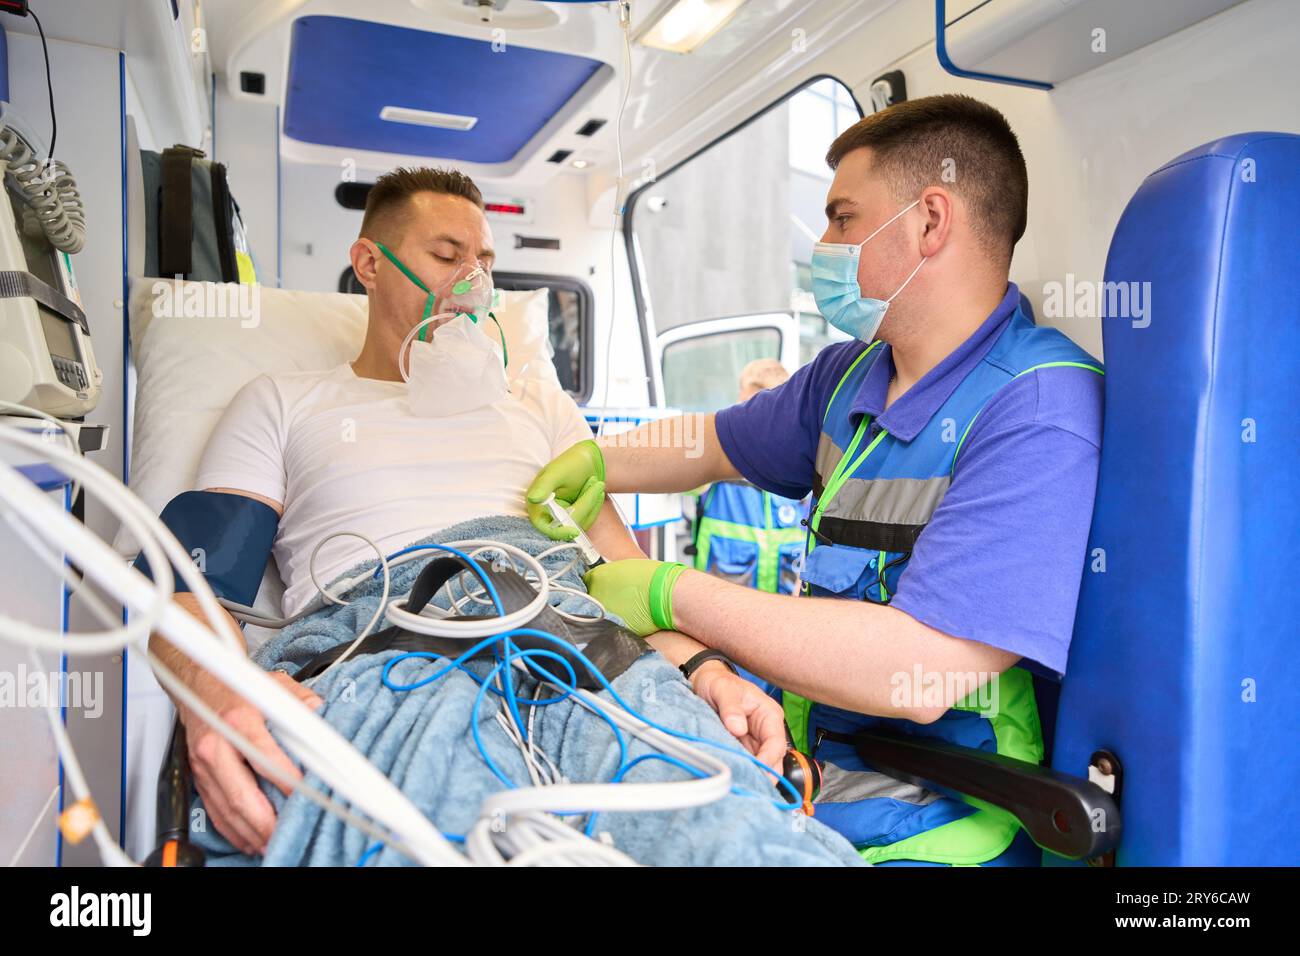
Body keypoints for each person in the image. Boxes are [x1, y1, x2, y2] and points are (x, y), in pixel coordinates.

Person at [525, 94, 1104, 866]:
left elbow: (917, 674)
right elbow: (707, 443)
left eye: (842, 218)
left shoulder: (1038, 406)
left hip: (943, 824)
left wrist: (668, 591)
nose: (824, 246)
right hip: (811, 786)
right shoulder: (848, 376)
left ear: (930, 222)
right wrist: (593, 456)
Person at [147, 166, 785, 857]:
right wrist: (216, 694)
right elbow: (187, 584)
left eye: (484, 263)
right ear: (369, 263)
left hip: (577, 647)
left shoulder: (537, 403)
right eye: (447, 257)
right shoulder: (285, 403)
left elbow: (624, 578)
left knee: (738, 833)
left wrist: (705, 672)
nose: (474, 283)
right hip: (388, 658)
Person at [689, 359, 806, 594]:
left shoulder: (798, 459)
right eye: (744, 405)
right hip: (721, 604)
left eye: (760, 408)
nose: (749, 417)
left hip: (782, 605)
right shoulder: (717, 453)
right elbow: (681, 480)